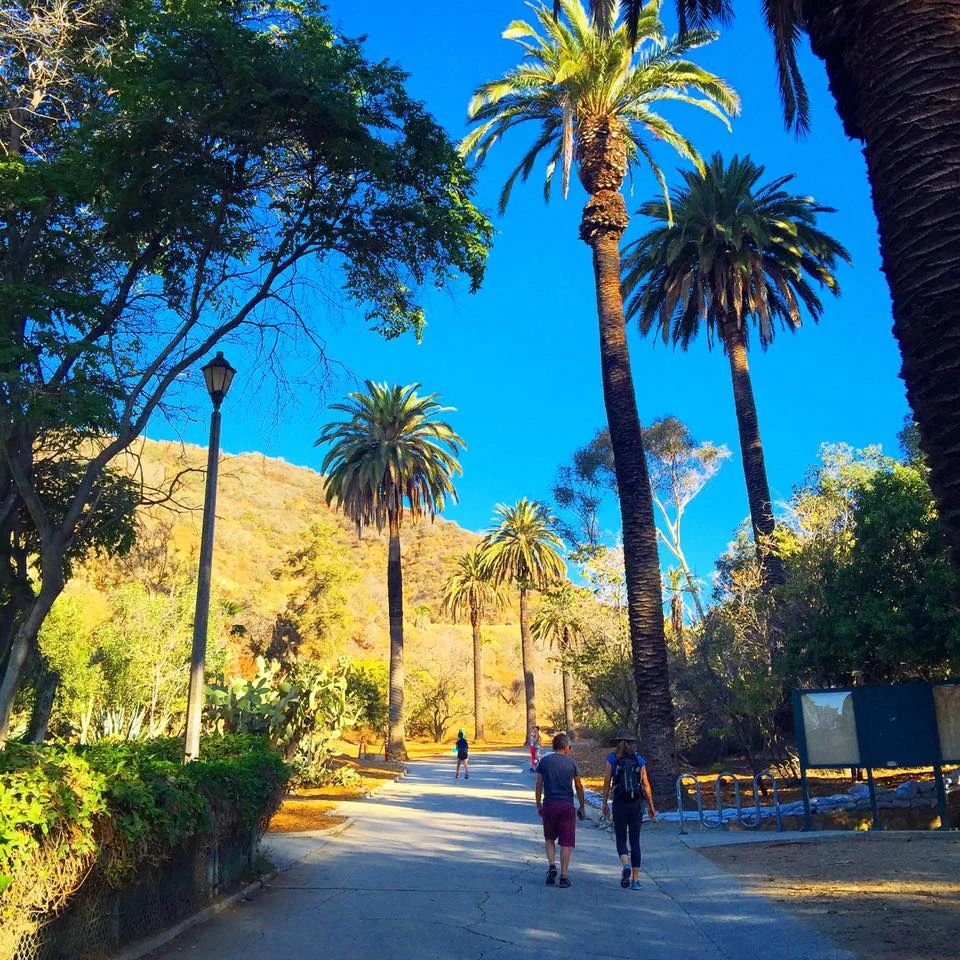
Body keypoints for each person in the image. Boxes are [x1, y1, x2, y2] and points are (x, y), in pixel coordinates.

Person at [601, 731, 656, 890]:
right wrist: (651, 806)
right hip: (636, 804)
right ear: (631, 743)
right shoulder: (639, 759)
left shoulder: (612, 759)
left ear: (617, 742)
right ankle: (636, 880)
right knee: (635, 842)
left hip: (620, 803)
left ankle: (625, 865)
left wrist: (605, 804)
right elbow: (646, 784)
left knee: (620, 838)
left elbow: (606, 782)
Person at [535, 732, 586, 888]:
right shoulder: (572, 763)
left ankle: (552, 865)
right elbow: (578, 786)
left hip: (550, 804)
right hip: (566, 806)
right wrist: (582, 806)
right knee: (566, 842)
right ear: (565, 747)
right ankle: (564, 876)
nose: (570, 749)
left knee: (549, 838)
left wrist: (538, 804)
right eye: (569, 746)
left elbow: (539, 784)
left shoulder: (544, 762)